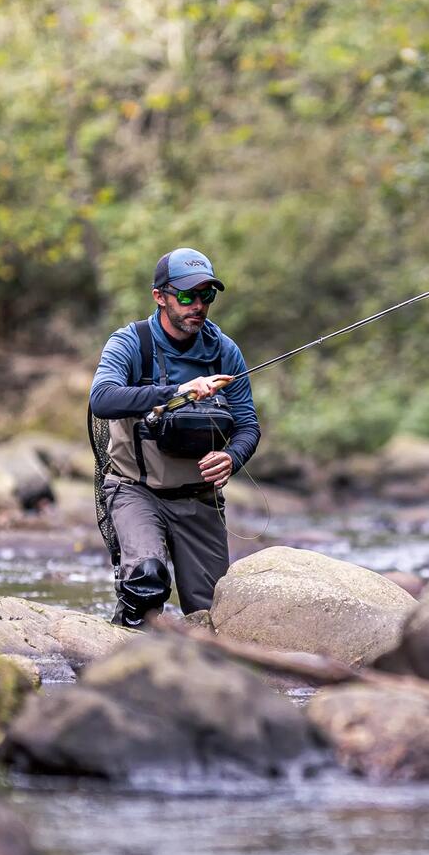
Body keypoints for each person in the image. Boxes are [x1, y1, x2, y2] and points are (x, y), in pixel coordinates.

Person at [89, 247, 260, 627]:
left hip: (199, 498)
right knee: (146, 581)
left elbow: (248, 425)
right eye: (186, 295)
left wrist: (232, 458)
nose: (197, 305)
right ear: (160, 296)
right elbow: (101, 399)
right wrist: (176, 392)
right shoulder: (131, 342)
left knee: (211, 615)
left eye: (206, 295)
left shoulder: (224, 352)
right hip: (135, 490)